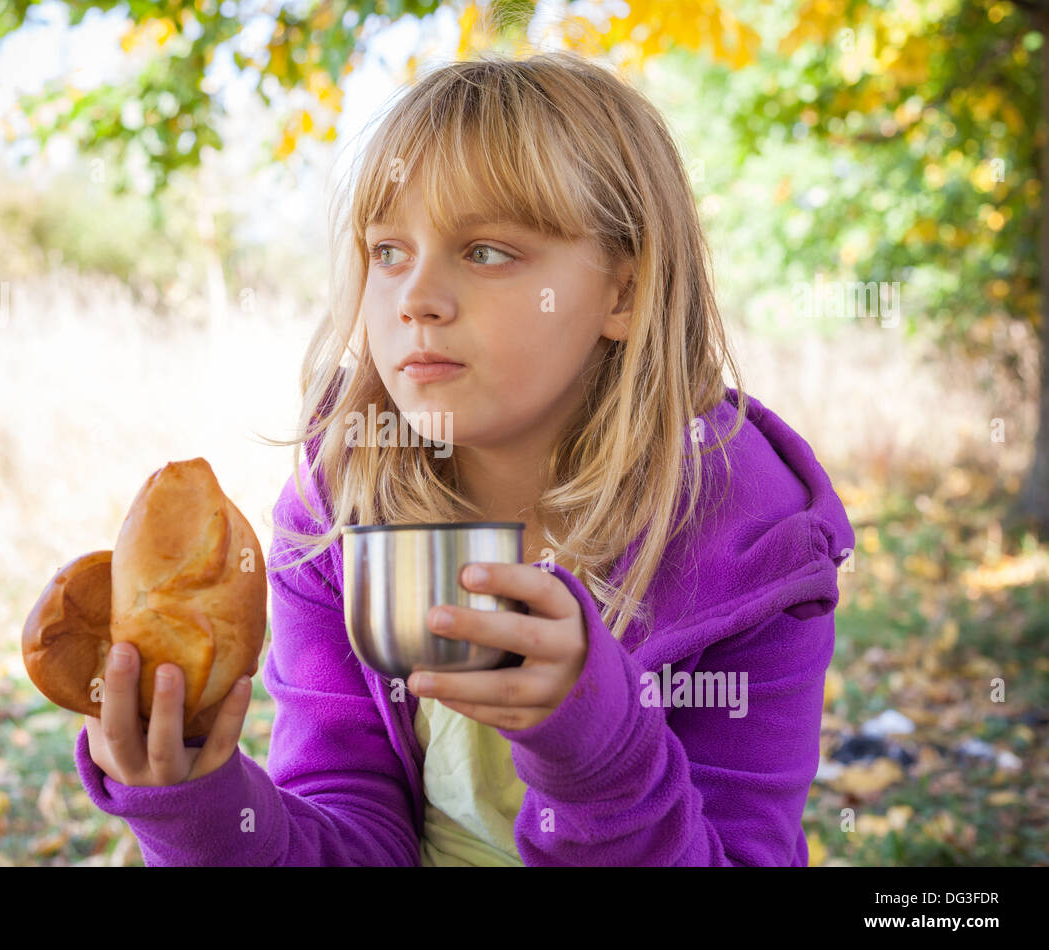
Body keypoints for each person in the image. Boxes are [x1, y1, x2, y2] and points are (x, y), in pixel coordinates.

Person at [74, 51, 855, 866]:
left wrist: (599, 754)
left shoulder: (752, 547)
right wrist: (203, 812)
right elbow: (353, 829)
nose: (416, 298)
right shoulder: (338, 516)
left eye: (485, 251)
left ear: (622, 292)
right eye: (387, 252)